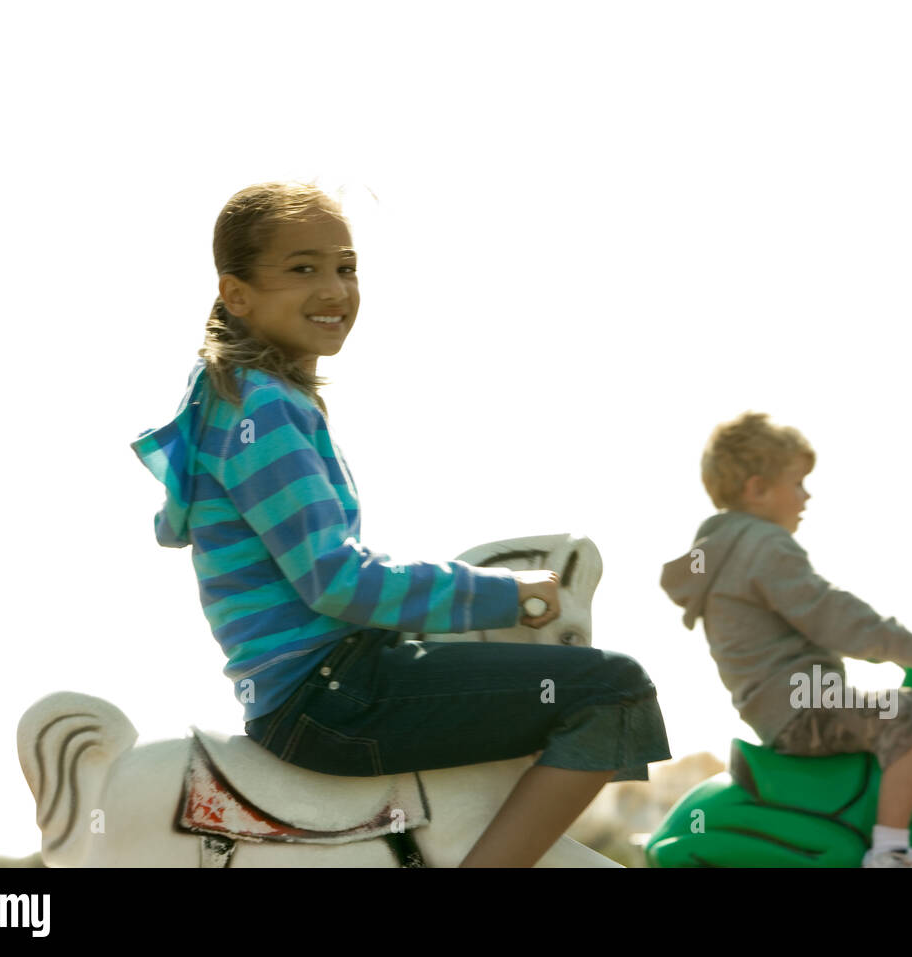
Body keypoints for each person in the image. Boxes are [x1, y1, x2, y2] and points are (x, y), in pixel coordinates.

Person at [130, 181, 670, 867]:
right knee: (612, 691)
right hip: (331, 694)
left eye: (345, 267)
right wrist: (513, 594)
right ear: (237, 294)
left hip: (309, 690)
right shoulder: (262, 412)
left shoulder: (234, 401)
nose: (334, 289)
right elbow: (337, 579)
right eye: (303, 269)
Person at [659, 411, 912, 867]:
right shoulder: (763, 545)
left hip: (772, 711)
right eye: (798, 483)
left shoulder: (719, 555)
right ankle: (890, 852)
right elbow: (835, 617)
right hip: (808, 706)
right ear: (757, 489)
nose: (807, 495)